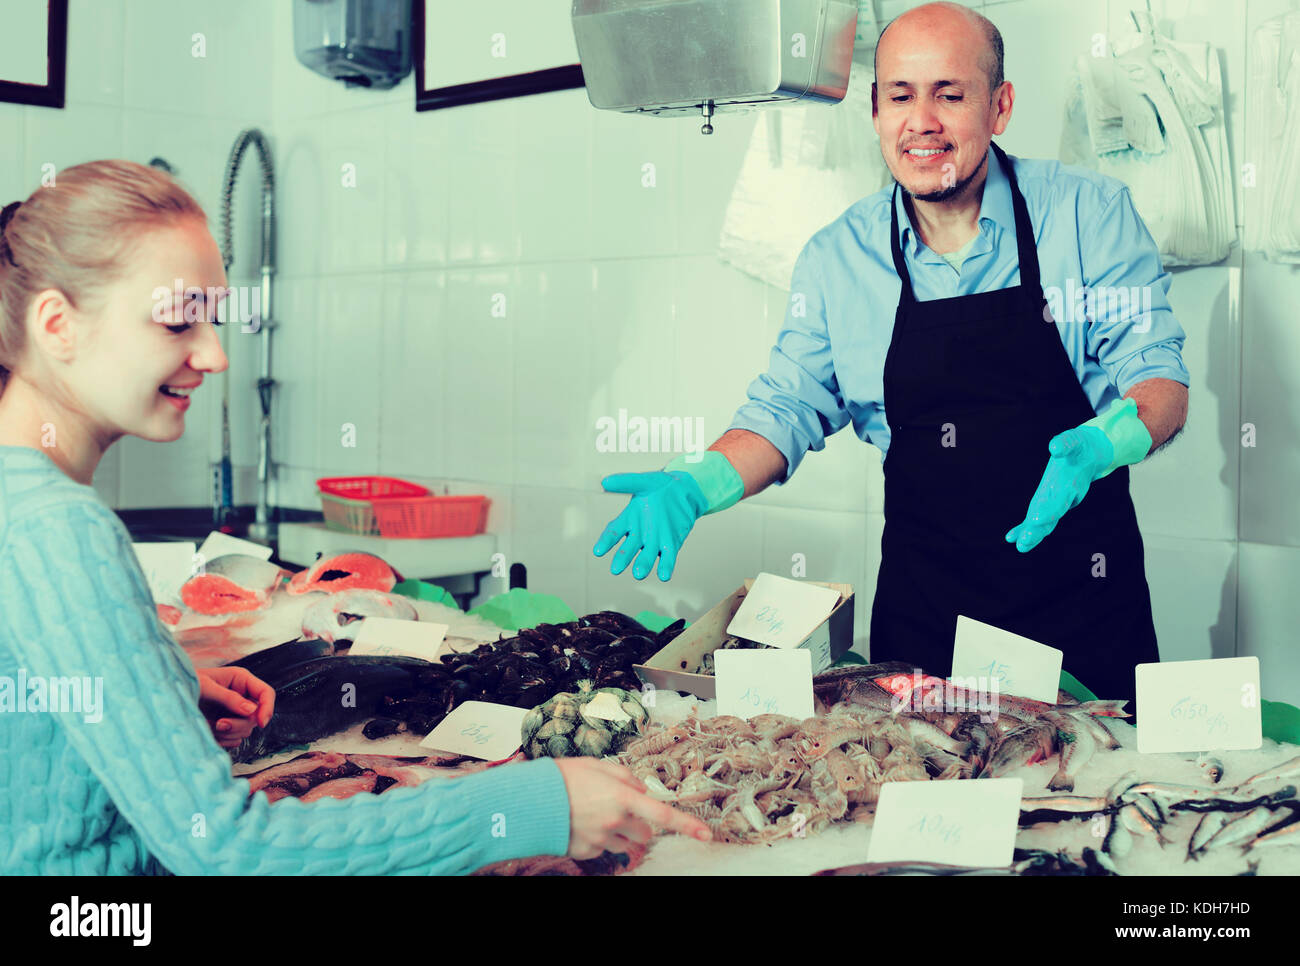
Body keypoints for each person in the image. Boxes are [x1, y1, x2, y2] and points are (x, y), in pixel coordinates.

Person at [0, 160, 708, 875]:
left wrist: (156, 687)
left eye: (215, 318)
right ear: (58, 324)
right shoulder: (61, 528)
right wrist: (532, 806)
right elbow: (230, 850)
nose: (214, 354)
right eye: (180, 318)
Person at [594, 2, 1189, 706]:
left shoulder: (1088, 214)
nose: (923, 121)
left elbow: (1160, 382)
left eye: (950, 94)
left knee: (1088, 799)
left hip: (1083, 614)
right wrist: (698, 482)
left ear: (999, 106)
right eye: (901, 95)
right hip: (927, 624)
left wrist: (1102, 441)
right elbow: (786, 408)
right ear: (875, 110)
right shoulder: (837, 258)